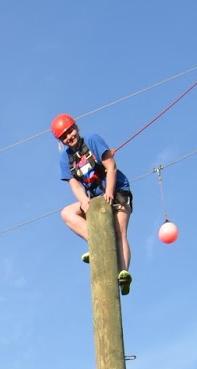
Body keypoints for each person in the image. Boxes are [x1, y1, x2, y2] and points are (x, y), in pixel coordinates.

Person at [51, 112, 133, 293]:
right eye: (64, 136)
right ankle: (96, 242)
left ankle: (123, 273)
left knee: (119, 233)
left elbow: (111, 167)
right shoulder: (65, 158)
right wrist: (85, 203)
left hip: (117, 190)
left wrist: (110, 193)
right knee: (67, 213)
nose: (69, 137)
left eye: (70, 131)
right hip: (95, 198)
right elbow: (75, 185)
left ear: (76, 128)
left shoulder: (92, 140)